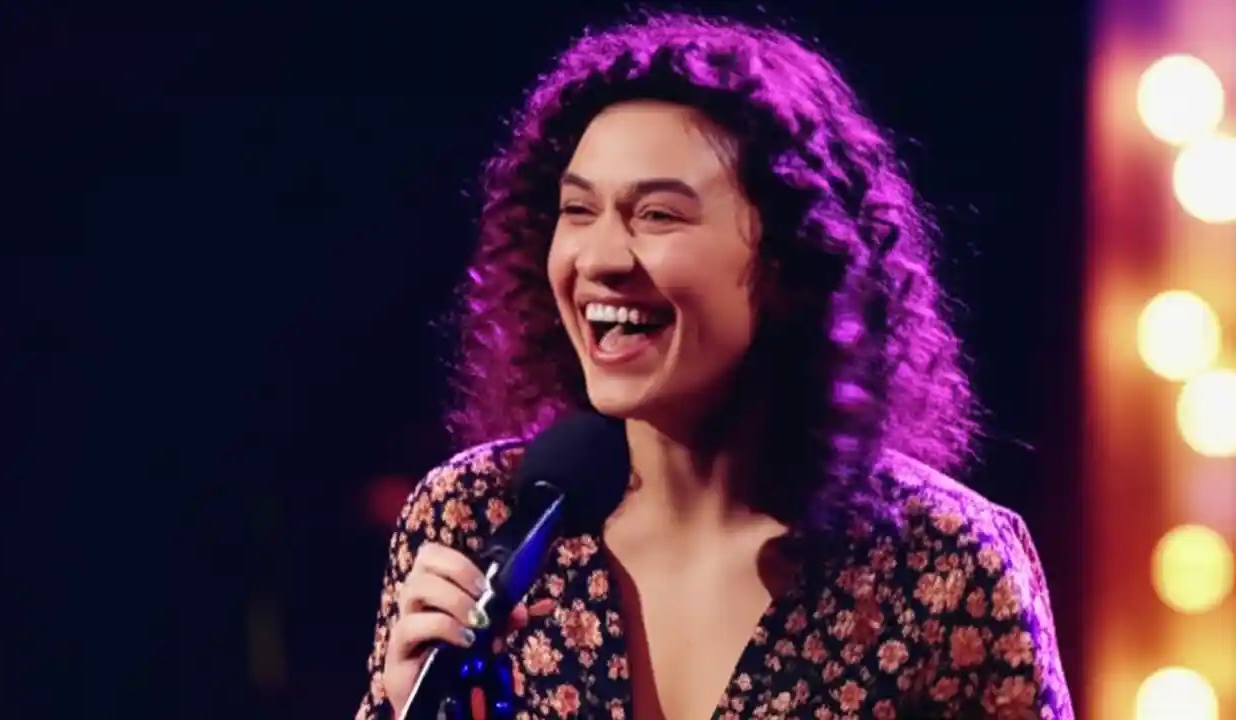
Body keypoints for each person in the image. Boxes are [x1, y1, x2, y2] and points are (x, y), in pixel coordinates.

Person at [357, 10, 1072, 720]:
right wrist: (407, 706)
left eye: (658, 216)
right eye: (577, 210)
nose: (600, 259)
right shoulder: (474, 516)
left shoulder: (943, 564)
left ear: (792, 256)